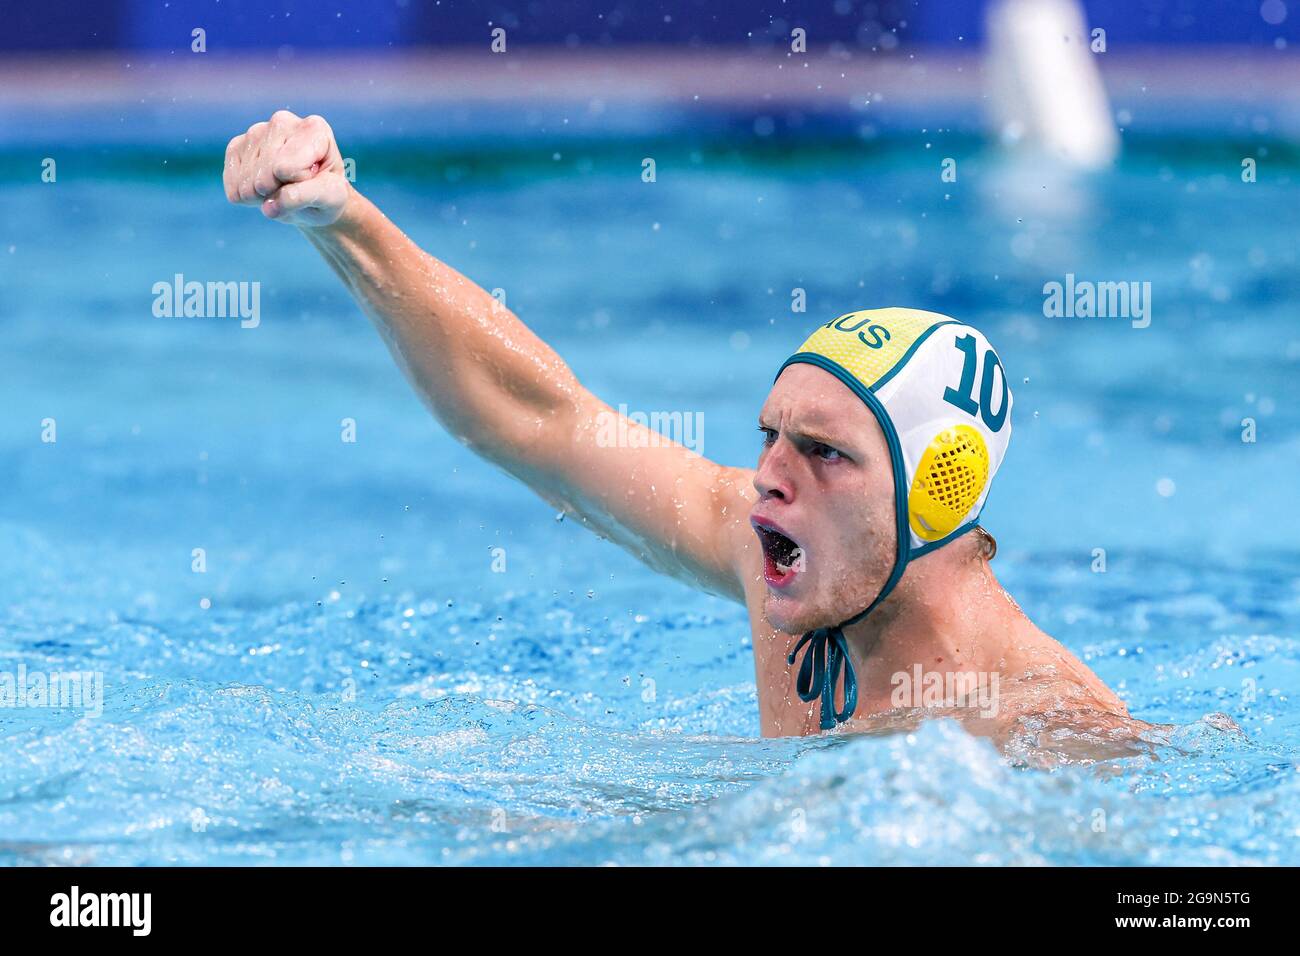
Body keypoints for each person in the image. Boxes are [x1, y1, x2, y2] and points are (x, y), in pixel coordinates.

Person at [223, 110, 1140, 744]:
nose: (771, 476)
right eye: (771, 435)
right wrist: (339, 216)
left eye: (824, 453)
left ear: (934, 495)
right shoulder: (783, 554)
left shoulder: (1040, 728)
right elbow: (536, 420)